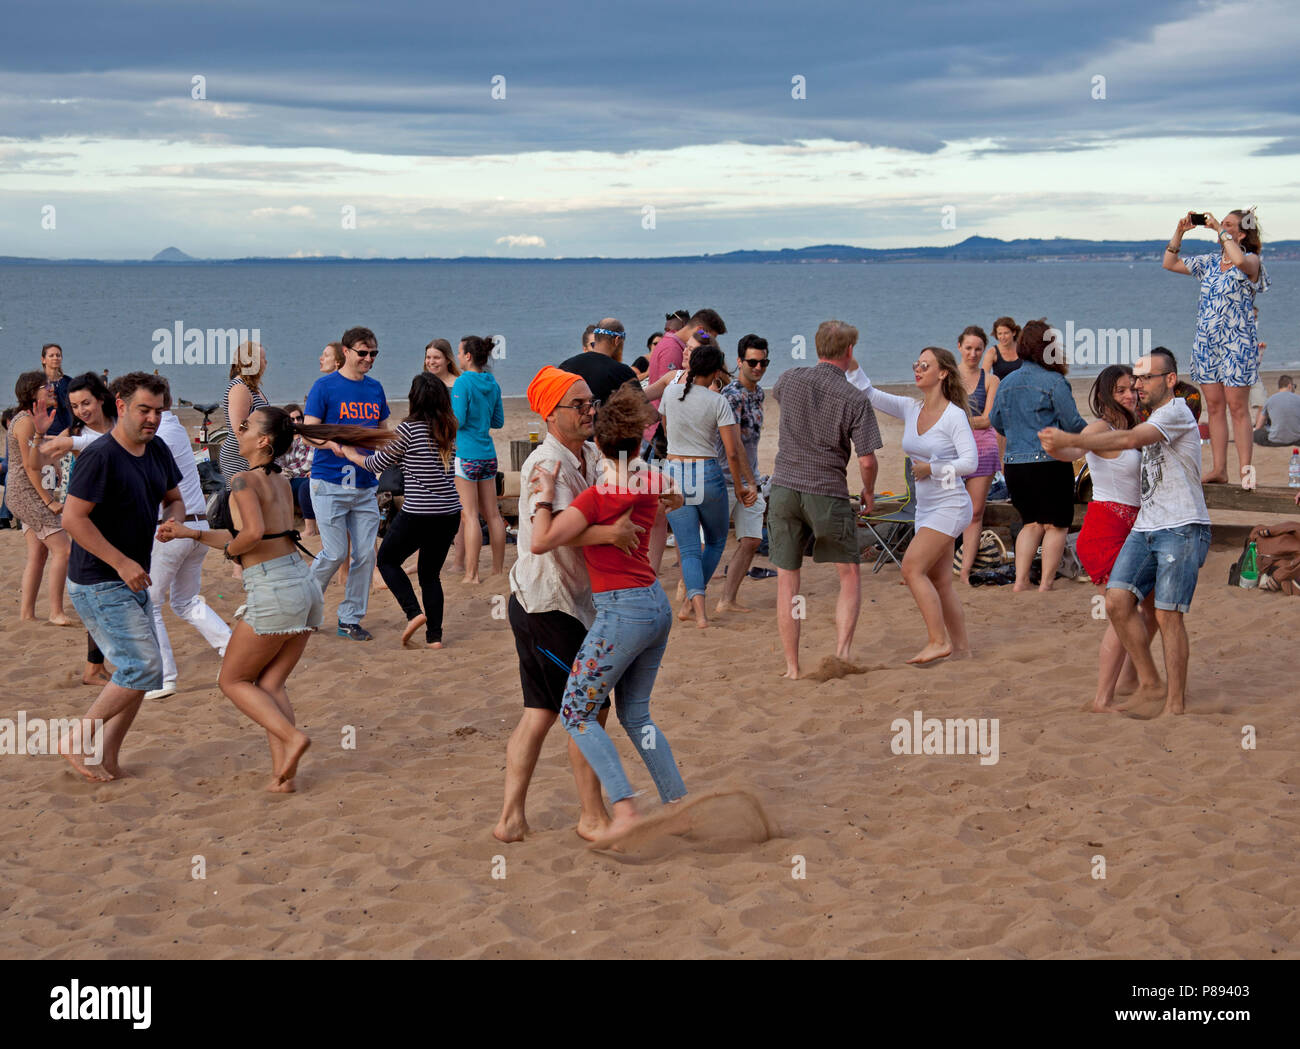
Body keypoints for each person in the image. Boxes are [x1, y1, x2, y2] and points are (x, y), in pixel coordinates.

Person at [160, 408, 392, 788]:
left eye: (247, 426)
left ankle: (292, 738)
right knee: (270, 686)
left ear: (264, 441)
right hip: (303, 587)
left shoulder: (240, 482)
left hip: (273, 590)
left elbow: (249, 535)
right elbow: (263, 535)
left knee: (232, 681)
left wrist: (234, 551)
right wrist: (190, 533)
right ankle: (283, 777)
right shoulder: (280, 481)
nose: (238, 428)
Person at [528, 383, 688, 840]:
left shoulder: (597, 498)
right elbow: (674, 493)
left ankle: (624, 805)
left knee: (576, 712)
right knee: (636, 715)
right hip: (656, 604)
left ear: (600, 442)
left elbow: (542, 539)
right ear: (638, 442)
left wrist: (543, 495)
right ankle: (677, 801)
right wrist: (667, 496)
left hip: (623, 611)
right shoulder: (648, 481)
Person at [495, 365, 642, 843]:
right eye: (577, 406)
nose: (589, 412)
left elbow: (614, 490)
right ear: (550, 414)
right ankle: (591, 816)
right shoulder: (546, 462)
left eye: (590, 403)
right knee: (588, 710)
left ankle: (511, 819)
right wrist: (612, 532)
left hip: (558, 602)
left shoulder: (587, 454)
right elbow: (547, 537)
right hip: (548, 606)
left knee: (540, 712)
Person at [1040, 349, 1211, 717]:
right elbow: (1079, 450)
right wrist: (1059, 444)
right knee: (1118, 604)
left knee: (1165, 615)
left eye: (1143, 379)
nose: (1136, 387)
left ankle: (1172, 705)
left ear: (1169, 380)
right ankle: (1145, 680)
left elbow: (1128, 443)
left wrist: (1073, 442)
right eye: (1132, 383)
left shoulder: (1175, 412)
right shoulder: (1118, 425)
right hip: (1137, 526)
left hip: (1179, 525)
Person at [60, 372, 185, 781]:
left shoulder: (158, 449)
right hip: (98, 580)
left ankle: (108, 757)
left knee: (137, 671)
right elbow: (73, 519)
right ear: (121, 406)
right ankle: (76, 739)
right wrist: (121, 562)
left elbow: (174, 499)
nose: (151, 418)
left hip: (135, 578)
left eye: (158, 411)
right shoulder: (100, 456)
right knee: (143, 669)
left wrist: (173, 522)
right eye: (143, 410)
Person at [769, 320, 881, 679]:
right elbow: (866, 459)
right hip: (826, 490)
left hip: (785, 487)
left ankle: (792, 666)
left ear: (817, 348)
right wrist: (869, 490)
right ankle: (842, 651)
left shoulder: (788, 379)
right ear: (849, 352)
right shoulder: (854, 398)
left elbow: (782, 399)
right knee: (847, 574)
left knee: (788, 580)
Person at [1045, 365, 1155, 712]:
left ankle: (1129, 679)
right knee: (1123, 613)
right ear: (1106, 394)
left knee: (1151, 609)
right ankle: (1102, 699)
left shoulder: (1135, 428)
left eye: (1132, 389)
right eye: (1120, 390)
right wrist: (1056, 446)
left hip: (1136, 530)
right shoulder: (1099, 428)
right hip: (1105, 530)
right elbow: (1073, 451)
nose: (1129, 395)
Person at [858, 348, 977, 664]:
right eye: (916, 364)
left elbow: (970, 461)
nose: (918, 369)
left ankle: (938, 641)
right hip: (926, 508)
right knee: (939, 581)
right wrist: (851, 361)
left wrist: (933, 469)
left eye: (925, 365)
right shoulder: (911, 408)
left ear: (942, 374)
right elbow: (869, 393)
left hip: (951, 505)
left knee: (911, 568)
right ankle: (962, 650)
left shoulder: (954, 416)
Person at [329, 373, 462, 647]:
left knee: (387, 561)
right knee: (430, 574)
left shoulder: (409, 429)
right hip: (449, 512)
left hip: (419, 513)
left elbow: (377, 464)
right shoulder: (450, 427)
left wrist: (352, 453)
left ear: (414, 399)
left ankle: (413, 613)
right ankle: (434, 638)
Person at [135, 382, 233, 700]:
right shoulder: (173, 427)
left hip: (176, 530)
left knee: (151, 604)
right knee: (185, 602)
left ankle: (164, 678)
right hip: (197, 527)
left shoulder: (160, 434)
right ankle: (230, 648)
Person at [1163, 208, 1269, 487]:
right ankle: (1219, 469)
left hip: (1237, 345)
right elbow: (1169, 262)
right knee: (1215, 406)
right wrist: (1180, 231)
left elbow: (1240, 261)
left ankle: (1247, 473)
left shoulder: (1251, 260)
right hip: (1207, 344)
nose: (1220, 226)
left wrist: (1218, 231)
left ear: (1242, 233)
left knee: (1238, 408)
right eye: (1221, 223)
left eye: (1229, 224)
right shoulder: (1209, 262)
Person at [659, 344, 757, 628]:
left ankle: (697, 610)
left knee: (688, 548)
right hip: (707, 473)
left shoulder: (670, 392)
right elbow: (733, 451)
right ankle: (691, 604)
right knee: (714, 541)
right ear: (716, 372)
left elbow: (666, 430)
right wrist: (740, 485)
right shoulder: (718, 402)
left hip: (674, 473)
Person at [304, 326, 391, 641]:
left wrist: (388, 452)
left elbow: (382, 430)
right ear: (346, 352)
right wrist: (337, 446)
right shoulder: (324, 386)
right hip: (329, 482)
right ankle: (306, 609)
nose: (369, 359)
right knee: (335, 552)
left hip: (366, 484)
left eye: (373, 354)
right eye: (363, 353)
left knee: (366, 554)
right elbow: (310, 432)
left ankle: (349, 618)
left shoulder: (375, 389)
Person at [988, 318, 1088, 592]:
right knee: (1056, 526)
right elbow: (1072, 424)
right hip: (1049, 463)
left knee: (1030, 524)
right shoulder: (1054, 381)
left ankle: (1020, 582)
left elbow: (996, 421)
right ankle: (1045, 584)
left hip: (1014, 465)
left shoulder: (1007, 382)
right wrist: (1098, 435)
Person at [39, 372, 119, 682]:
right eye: (75, 405)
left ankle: (97, 665)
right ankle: (94, 667)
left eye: (86, 402)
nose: (82, 410)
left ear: (101, 398)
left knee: (109, 589)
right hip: (87, 516)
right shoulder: (77, 434)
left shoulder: (117, 423)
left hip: (119, 511)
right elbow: (38, 459)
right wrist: (40, 436)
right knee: (99, 589)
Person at [8, 372, 71, 625]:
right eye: (46, 387)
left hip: (24, 491)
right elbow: (29, 466)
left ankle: (27, 614)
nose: (51, 389)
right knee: (63, 550)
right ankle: (56, 612)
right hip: (27, 494)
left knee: (38, 553)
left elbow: (39, 451)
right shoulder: (25, 421)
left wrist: (54, 458)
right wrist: (48, 501)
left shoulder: (30, 420)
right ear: (33, 392)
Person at [715, 335, 772, 613]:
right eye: (752, 362)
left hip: (750, 479)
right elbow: (734, 446)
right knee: (713, 543)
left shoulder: (758, 393)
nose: (758, 367)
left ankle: (727, 599)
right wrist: (748, 482)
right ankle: (691, 598)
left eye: (763, 362)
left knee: (751, 540)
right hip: (726, 480)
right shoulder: (731, 395)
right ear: (739, 362)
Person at [451, 334, 506, 584]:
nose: (458, 357)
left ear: (468, 356)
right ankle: (497, 570)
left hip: (467, 454)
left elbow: (458, 420)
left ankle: (472, 574)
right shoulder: (492, 383)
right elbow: (498, 422)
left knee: (470, 515)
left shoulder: (463, 383)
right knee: (493, 514)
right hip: (488, 454)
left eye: (460, 352)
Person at [955, 326, 1001, 584]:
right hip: (952, 451)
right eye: (968, 348)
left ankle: (964, 570)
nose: (973, 353)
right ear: (959, 347)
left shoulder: (990, 380)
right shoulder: (947, 377)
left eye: (978, 349)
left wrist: (958, 421)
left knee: (974, 512)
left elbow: (988, 419)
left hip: (983, 450)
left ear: (984, 351)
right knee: (946, 509)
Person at [219, 342, 270, 488]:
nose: (266, 362)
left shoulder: (253, 387)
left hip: (255, 454)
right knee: (242, 500)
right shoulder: (240, 387)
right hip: (240, 455)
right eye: (262, 358)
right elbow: (238, 428)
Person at [557, 318, 638, 404]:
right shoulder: (622, 372)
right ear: (617, 340)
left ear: (596, 337)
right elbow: (641, 408)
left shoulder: (566, 365)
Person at [280, 403, 316, 535]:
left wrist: (288, 472)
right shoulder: (283, 441)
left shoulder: (308, 438)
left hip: (303, 478)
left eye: (299, 418)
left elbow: (307, 465)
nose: (296, 422)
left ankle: (310, 529)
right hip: (290, 478)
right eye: (292, 419)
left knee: (304, 487)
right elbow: (278, 463)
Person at [1253, 375, 1300, 447]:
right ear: (1290, 386)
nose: (1294, 388)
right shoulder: (1298, 398)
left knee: (1256, 433)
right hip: (1297, 439)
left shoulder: (1270, 400)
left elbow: (1259, 426)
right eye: (1294, 386)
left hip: (1275, 441)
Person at [41, 343, 74, 437]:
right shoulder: (38, 383)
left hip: (68, 431)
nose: (55, 358)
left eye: (58, 355)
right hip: (47, 432)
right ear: (43, 360)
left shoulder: (69, 381)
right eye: (51, 355)